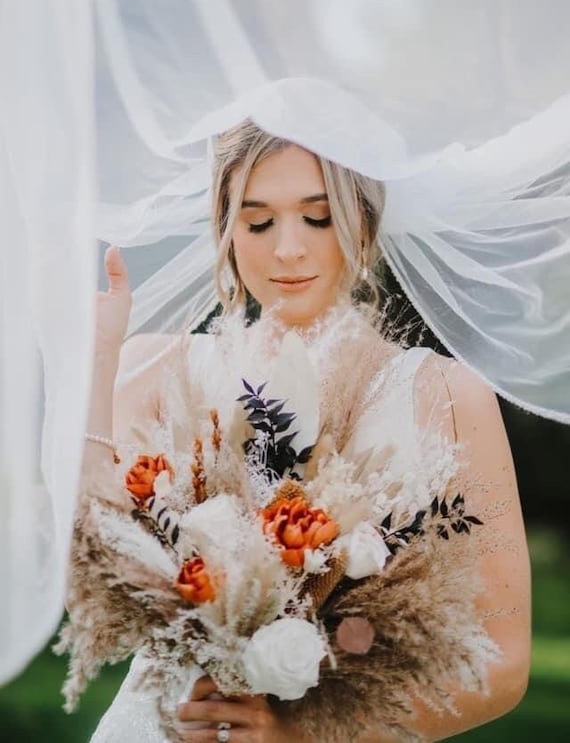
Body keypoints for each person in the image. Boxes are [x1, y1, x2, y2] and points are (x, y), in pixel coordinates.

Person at [83, 120, 531, 743]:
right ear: (226, 229)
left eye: (317, 218)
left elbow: (503, 663)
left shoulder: (448, 396)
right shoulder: (159, 367)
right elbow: (84, 554)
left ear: (364, 226)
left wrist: (304, 732)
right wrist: (101, 354)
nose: (287, 249)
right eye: (258, 221)